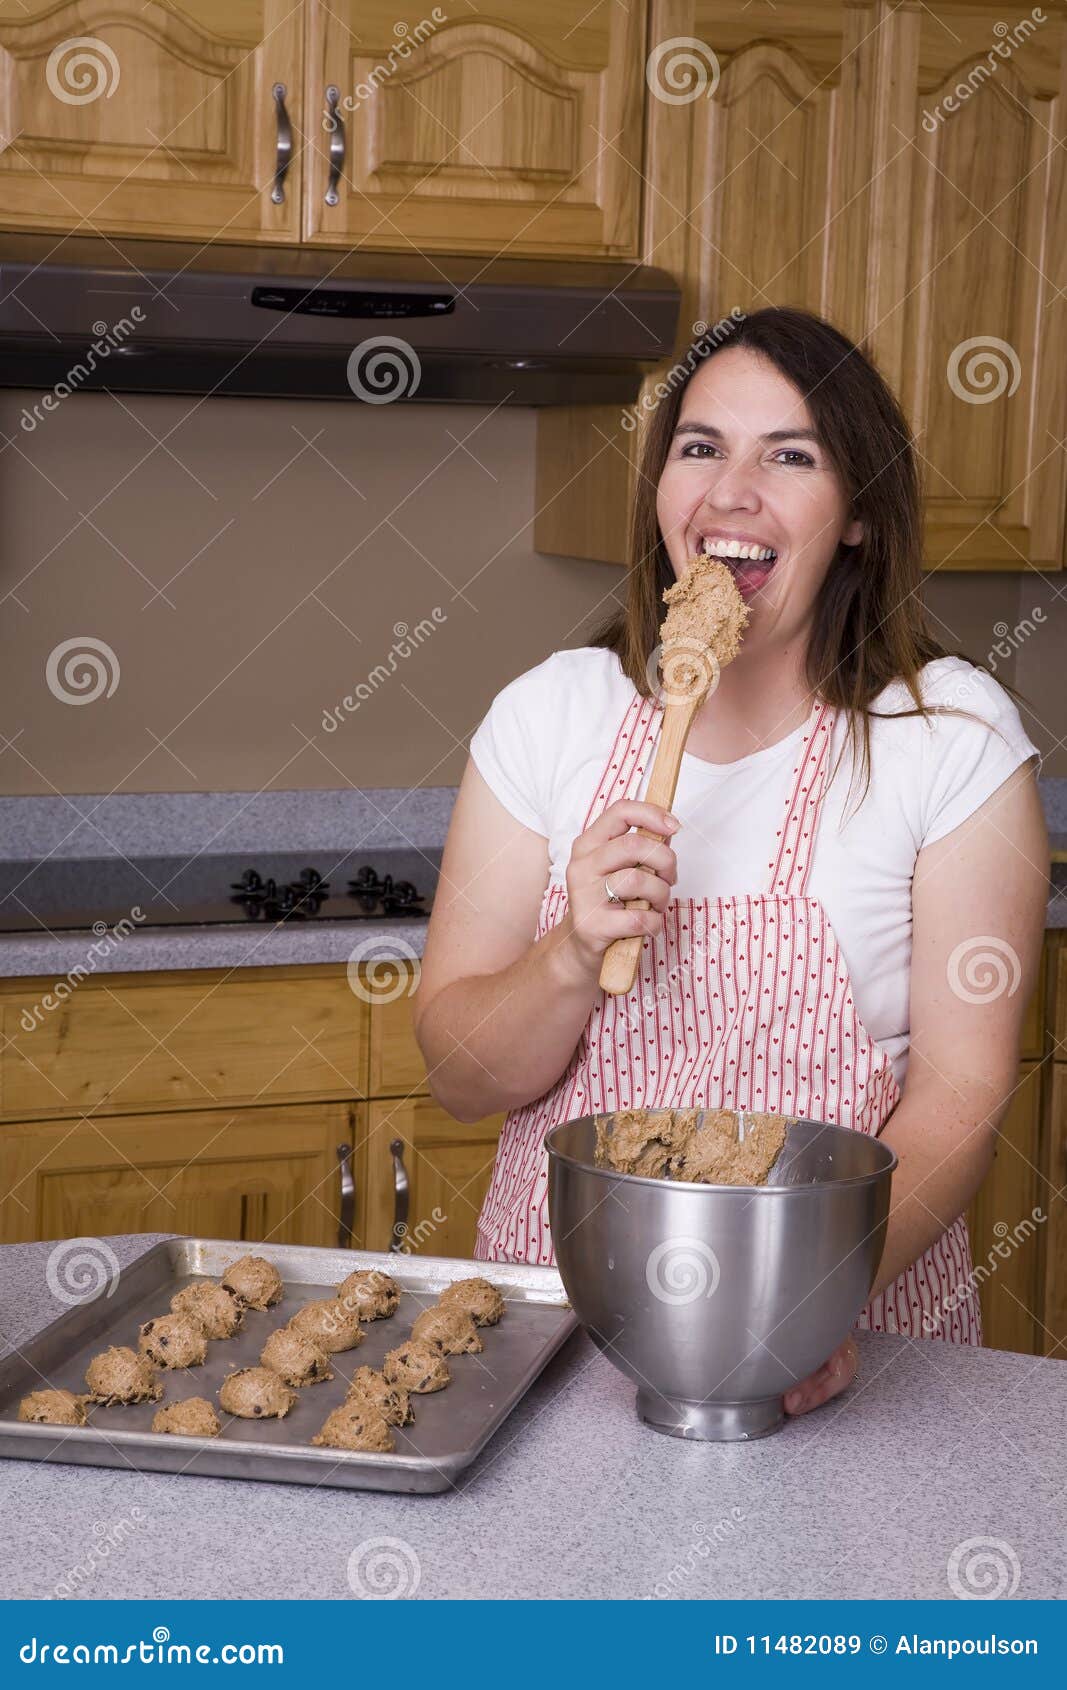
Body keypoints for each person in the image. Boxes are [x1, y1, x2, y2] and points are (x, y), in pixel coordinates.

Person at [412, 307, 1049, 1417]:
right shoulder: (549, 714)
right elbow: (461, 1077)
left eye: (788, 456)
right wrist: (567, 954)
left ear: (854, 515)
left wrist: (805, 1309)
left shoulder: (950, 736)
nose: (728, 493)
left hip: (840, 1347)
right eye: (698, 447)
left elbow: (959, 1091)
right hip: (561, 1341)